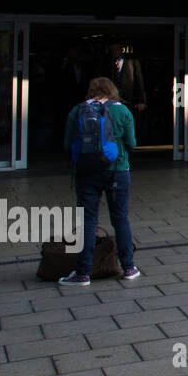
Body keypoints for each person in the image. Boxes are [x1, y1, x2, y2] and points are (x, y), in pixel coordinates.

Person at [58, 77, 139, 285]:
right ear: (112, 90)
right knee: (120, 219)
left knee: (88, 221)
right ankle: (129, 267)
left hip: (86, 174)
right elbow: (132, 143)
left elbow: (67, 144)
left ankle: (83, 272)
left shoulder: (77, 111)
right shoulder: (122, 111)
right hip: (118, 171)